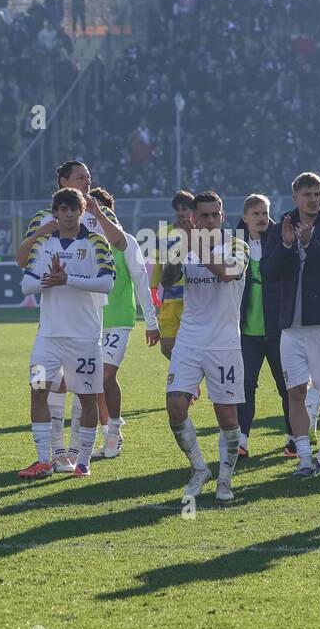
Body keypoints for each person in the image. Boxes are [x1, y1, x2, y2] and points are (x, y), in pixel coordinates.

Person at [16, 161, 126, 460]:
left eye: (89, 177)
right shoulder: (43, 220)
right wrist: (42, 235)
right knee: (46, 389)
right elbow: (23, 261)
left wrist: (98, 213)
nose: (88, 182)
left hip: (87, 322)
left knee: (83, 394)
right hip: (50, 327)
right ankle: (54, 454)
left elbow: (121, 244)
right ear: (63, 182)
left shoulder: (97, 217)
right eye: (81, 178)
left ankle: (79, 455)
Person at [261, 172, 320, 477]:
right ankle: (303, 458)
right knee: (295, 393)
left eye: (317, 193)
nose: (313, 199)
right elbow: (268, 273)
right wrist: (286, 246)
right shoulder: (282, 226)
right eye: (307, 194)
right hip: (290, 327)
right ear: (295, 197)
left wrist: (311, 244)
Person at [160, 191, 249, 500]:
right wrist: (179, 250)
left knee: (226, 417)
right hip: (189, 339)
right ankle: (199, 467)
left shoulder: (238, 245)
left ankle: (225, 478)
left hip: (224, 343)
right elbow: (168, 280)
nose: (210, 220)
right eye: (204, 216)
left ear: (222, 216)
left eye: (215, 215)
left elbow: (226, 274)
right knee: (175, 407)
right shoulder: (183, 245)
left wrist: (195, 244)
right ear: (194, 218)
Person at [88, 186, 159, 460]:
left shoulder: (126, 241)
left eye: (104, 211)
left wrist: (151, 322)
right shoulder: (86, 242)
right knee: (94, 381)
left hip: (119, 320)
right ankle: (109, 436)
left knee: (106, 376)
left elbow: (142, 282)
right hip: (90, 320)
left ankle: (114, 432)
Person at [237, 194, 294, 458]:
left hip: (277, 328)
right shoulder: (234, 242)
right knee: (246, 386)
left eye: (265, 213)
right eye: (256, 214)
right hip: (247, 329)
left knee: (286, 386)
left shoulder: (281, 238)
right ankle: (242, 440)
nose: (262, 218)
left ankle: (293, 438)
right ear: (246, 217)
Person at [152, 190, 196, 360]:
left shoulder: (199, 232)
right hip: (169, 298)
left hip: (190, 299)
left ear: (192, 211)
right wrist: (154, 289)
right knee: (167, 347)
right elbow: (157, 264)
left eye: (184, 209)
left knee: (191, 345)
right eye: (177, 209)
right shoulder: (163, 233)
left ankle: (189, 381)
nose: (180, 213)